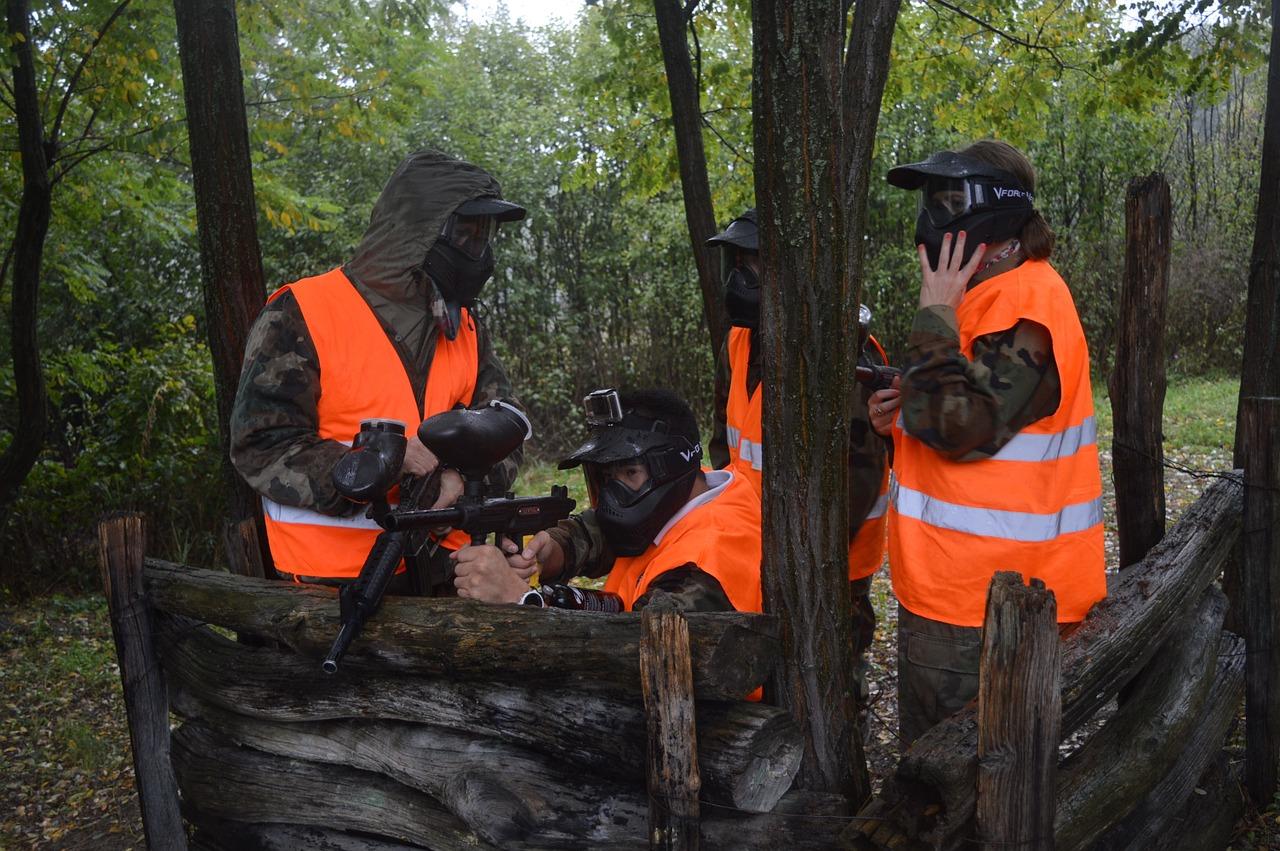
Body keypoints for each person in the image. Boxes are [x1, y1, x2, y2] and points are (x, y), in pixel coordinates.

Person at [871, 140, 1105, 745]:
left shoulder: (1029, 302)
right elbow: (958, 425)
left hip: (991, 605)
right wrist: (898, 418)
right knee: (945, 779)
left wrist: (934, 316)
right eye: (931, 201)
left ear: (994, 213)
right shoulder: (992, 297)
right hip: (961, 596)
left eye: (950, 201)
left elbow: (959, 426)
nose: (932, 220)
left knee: (961, 791)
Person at [230, 149, 527, 592]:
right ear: (421, 231)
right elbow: (259, 445)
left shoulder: (464, 324)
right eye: (466, 234)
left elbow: (507, 430)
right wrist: (380, 462)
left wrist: (457, 478)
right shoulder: (302, 313)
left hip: (451, 580)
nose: (479, 253)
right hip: (331, 592)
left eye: (483, 236)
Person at [706, 208, 890, 701]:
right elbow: (726, 442)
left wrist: (796, 552)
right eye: (738, 262)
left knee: (830, 688)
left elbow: (855, 484)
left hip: (831, 564)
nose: (742, 276)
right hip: (755, 549)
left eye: (755, 263)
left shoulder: (842, 356)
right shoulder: (740, 340)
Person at [450, 388, 762, 616]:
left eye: (629, 472)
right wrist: (548, 551)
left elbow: (637, 652)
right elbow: (595, 532)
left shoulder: (711, 557)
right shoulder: (692, 492)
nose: (614, 493)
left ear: (673, 466)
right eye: (605, 477)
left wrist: (522, 601)